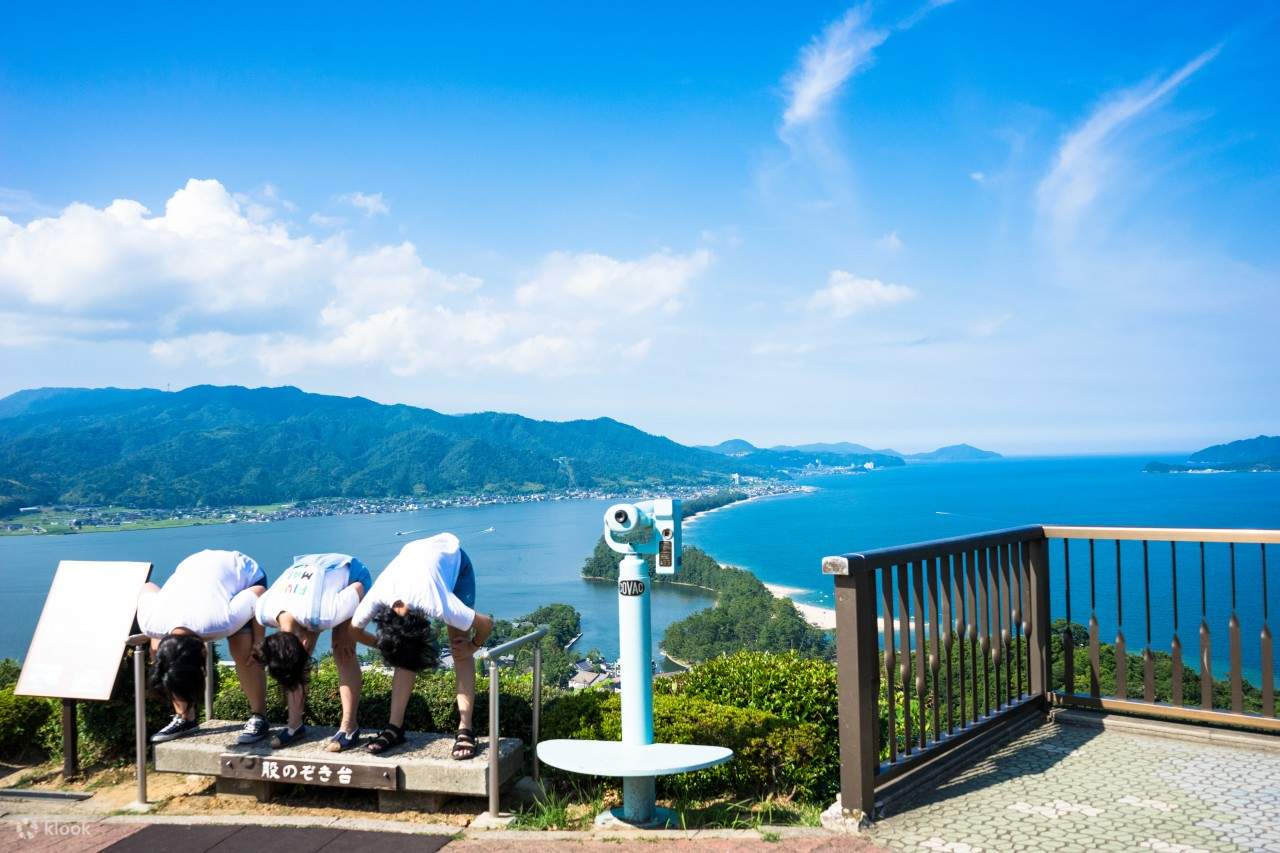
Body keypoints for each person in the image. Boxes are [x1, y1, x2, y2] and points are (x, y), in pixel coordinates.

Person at [351, 532, 493, 759]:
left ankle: (465, 727)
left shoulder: (439, 605)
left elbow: (486, 624)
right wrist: (388, 647)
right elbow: (354, 631)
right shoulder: (378, 596)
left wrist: (473, 646)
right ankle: (394, 728)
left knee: (459, 646)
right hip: (418, 562)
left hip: (454, 561)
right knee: (404, 653)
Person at [136, 549, 270, 744]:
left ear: (203, 652)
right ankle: (184, 717)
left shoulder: (223, 622)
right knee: (164, 655)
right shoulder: (150, 622)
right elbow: (147, 587)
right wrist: (155, 647)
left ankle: (259, 716)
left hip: (241, 571)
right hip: (193, 568)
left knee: (244, 650)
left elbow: (259, 593)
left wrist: (259, 642)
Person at [253, 553, 371, 751]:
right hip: (308, 574)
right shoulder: (263, 611)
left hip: (351, 574)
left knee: (342, 648)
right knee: (289, 663)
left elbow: (360, 586)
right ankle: (294, 725)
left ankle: (350, 727)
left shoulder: (326, 613)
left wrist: (347, 627)